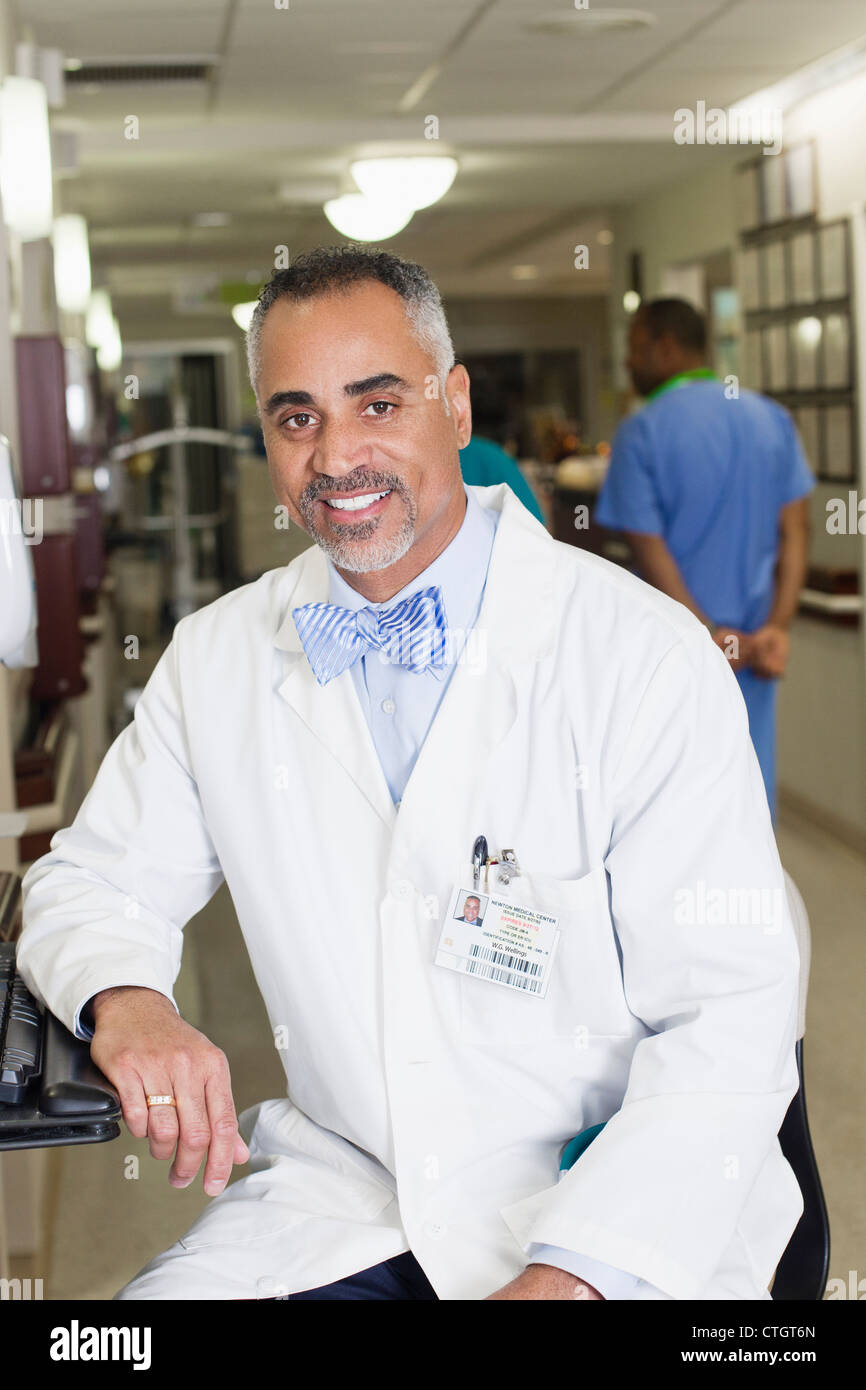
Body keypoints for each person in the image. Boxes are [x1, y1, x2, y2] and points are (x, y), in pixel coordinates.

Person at [16, 248, 802, 1301]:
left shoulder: (639, 655)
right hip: (343, 1200)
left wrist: (573, 1274)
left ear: (456, 404)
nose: (337, 455)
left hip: (610, 1216)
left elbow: (730, 1015)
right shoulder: (217, 657)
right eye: (296, 417)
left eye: (376, 402)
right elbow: (89, 881)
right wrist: (127, 998)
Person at [595, 298, 813, 819]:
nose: (626, 364)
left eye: (634, 349)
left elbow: (649, 550)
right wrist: (777, 627)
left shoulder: (641, 432)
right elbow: (796, 532)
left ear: (665, 347)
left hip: (680, 653)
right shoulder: (771, 418)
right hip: (757, 652)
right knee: (750, 804)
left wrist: (708, 633)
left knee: (679, 813)